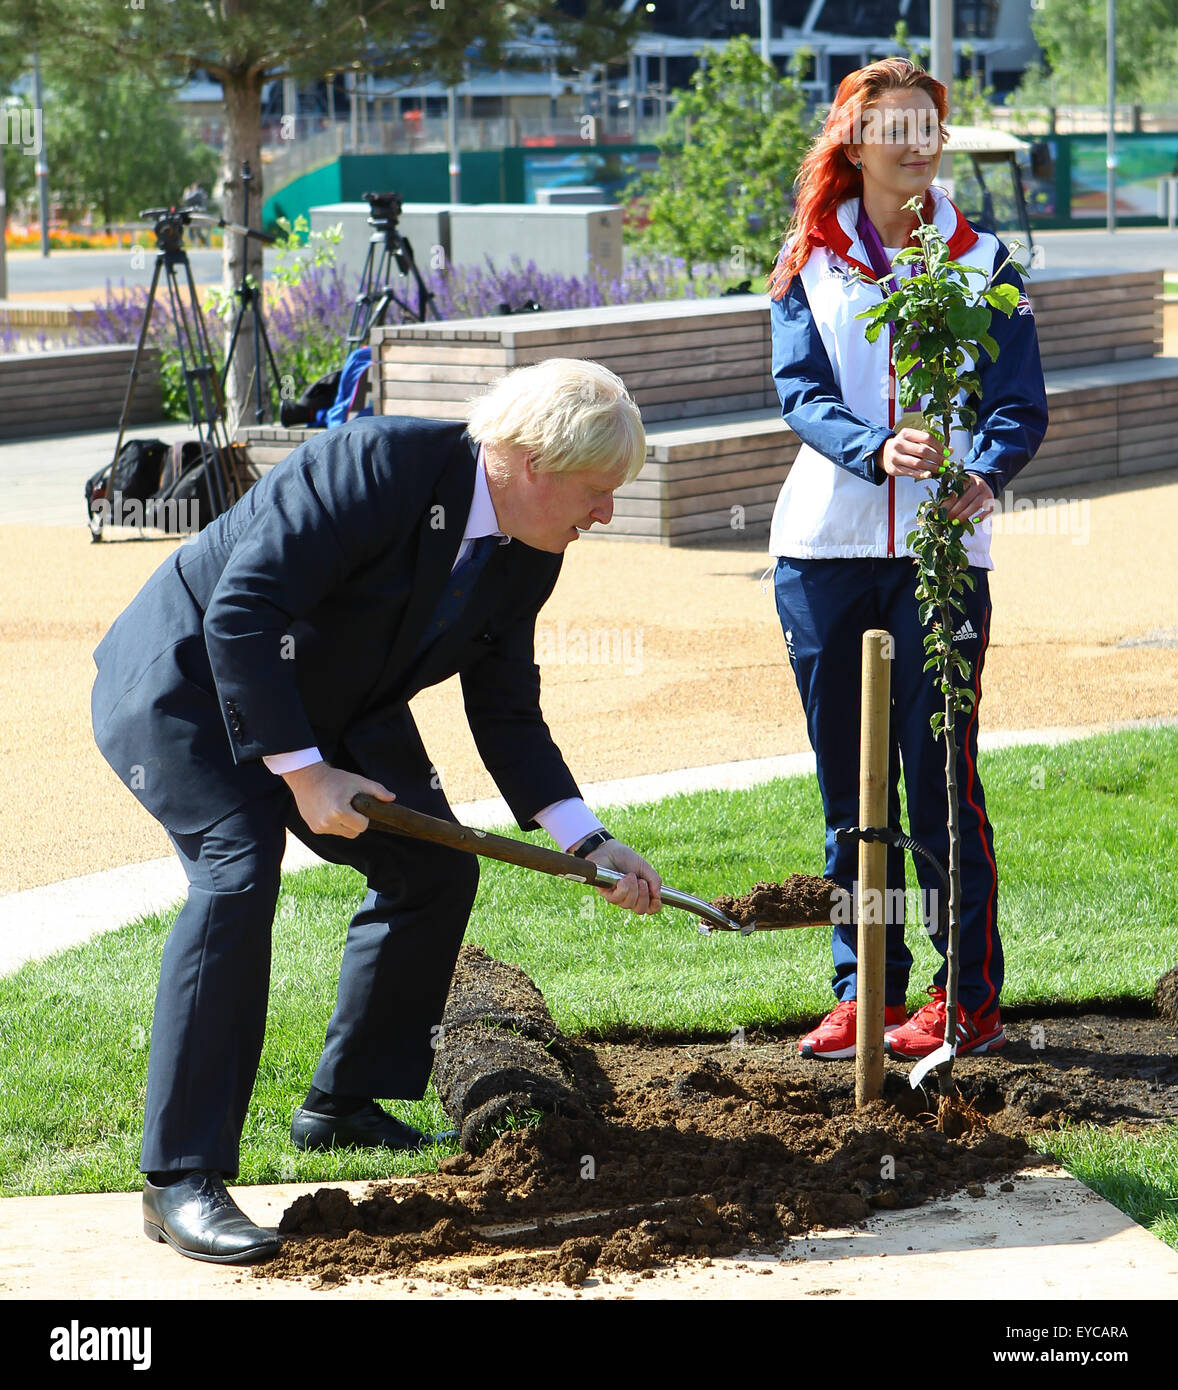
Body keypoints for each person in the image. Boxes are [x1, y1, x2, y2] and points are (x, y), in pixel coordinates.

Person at [91, 358, 664, 1264]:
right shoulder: (373, 463)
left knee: (435, 870)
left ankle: (342, 1103)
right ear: (529, 462)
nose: (603, 513)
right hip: (191, 684)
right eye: (596, 492)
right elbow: (242, 610)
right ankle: (180, 1179)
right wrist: (306, 775)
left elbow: (506, 705)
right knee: (239, 873)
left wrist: (586, 839)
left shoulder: (529, 552)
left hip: (334, 704)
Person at [766, 59, 1047, 1062]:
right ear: (852, 140)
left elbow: (1018, 401)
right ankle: (866, 991)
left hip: (939, 555)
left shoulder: (984, 259)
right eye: (893, 125)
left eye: (927, 123)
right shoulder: (812, 253)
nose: (915, 141)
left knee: (939, 779)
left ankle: (965, 994)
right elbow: (797, 392)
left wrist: (986, 470)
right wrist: (869, 447)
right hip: (822, 554)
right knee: (851, 795)